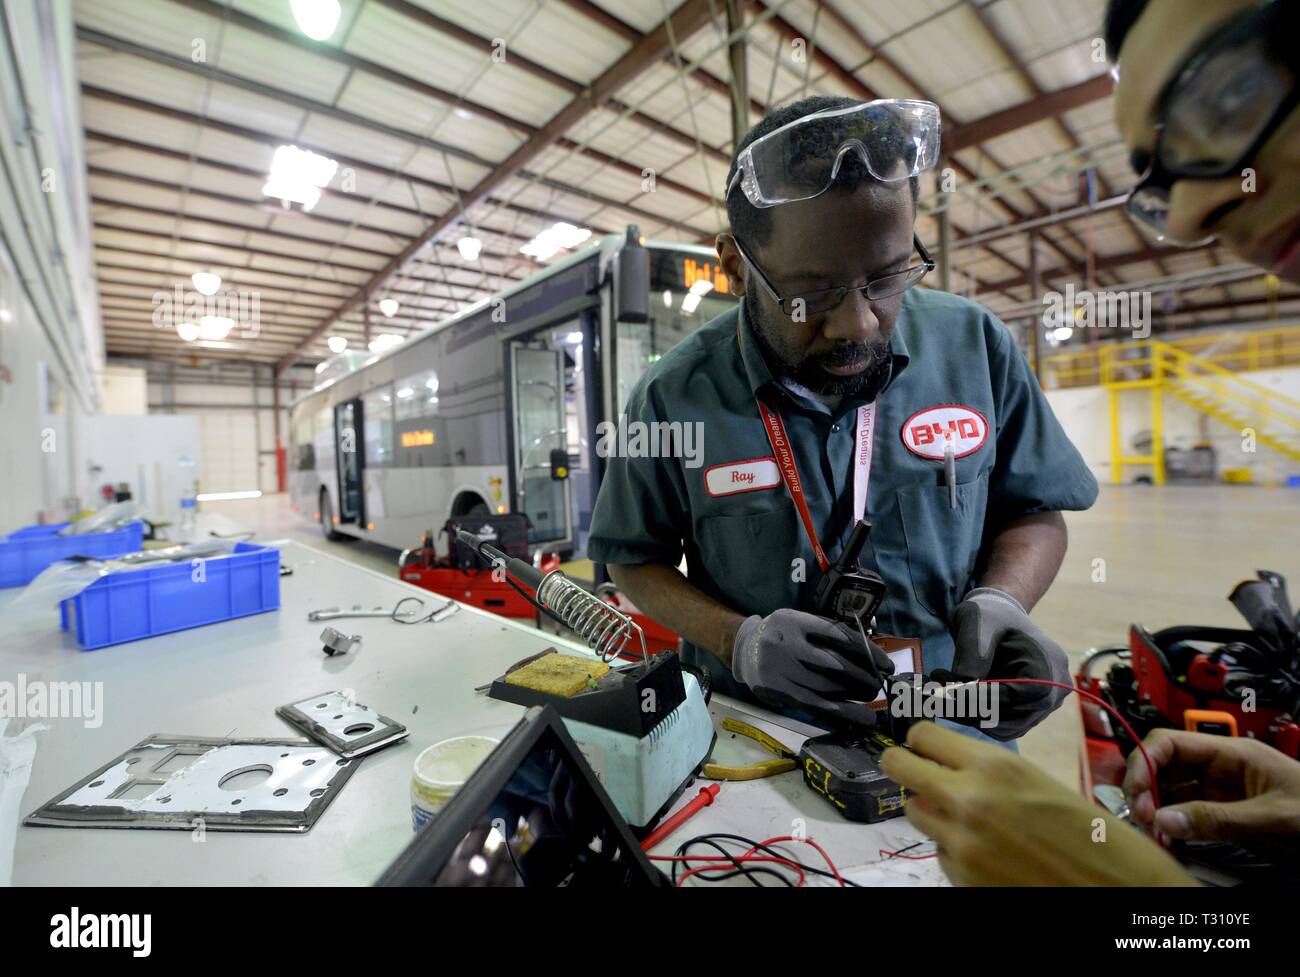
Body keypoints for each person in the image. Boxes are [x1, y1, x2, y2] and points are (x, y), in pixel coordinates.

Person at [882, 0, 1300, 884]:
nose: (1189, 218)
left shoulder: (972, 340)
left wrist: (1125, 899)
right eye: (1155, 175)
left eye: (1222, 100)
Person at [586, 96, 1097, 740]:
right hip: (753, 742)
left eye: (887, 279)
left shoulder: (975, 348)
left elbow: (1034, 512)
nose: (858, 323)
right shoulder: (671, 397)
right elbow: (633, 559)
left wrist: (1004, 601)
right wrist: (737, 640)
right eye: (812, 293)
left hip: (948, 726)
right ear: (735, 265)